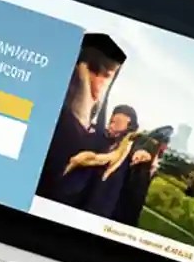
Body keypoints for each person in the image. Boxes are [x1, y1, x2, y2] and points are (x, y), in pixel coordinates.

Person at [36, 33, 127, 207]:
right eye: (97, 73)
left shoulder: (95, 128)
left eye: (108, 77)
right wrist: (84, 90)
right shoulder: (53, 116)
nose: (100, 85)